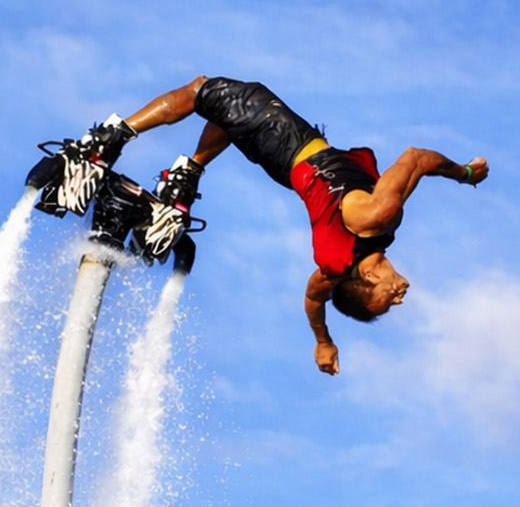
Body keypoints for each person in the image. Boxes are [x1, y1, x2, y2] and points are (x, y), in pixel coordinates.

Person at [37, 77, 488, 373]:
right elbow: (313, 300)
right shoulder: (333, 267)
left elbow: (416, 158)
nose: (400, 297)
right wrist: (322, 342)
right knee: (227, 118)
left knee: (202, 92)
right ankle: (185, 178)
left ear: (368, 277)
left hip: (289, 144)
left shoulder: (377, 218)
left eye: (386, 301)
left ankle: (108, 140)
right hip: (288, 166)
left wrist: (465, 174)